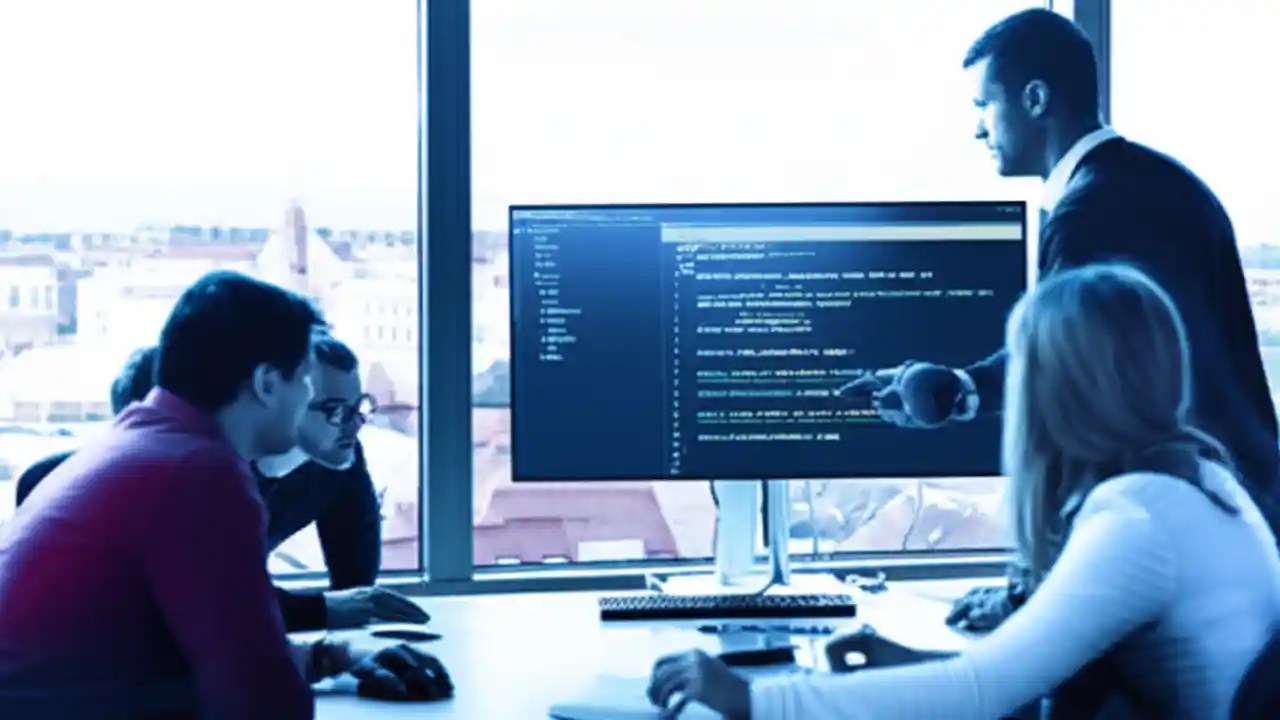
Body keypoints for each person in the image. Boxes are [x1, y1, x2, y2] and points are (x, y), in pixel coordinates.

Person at [648, 264, 1280, 719]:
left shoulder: (1138, 519)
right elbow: (1036, 676)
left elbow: (983, 692)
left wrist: (751, 700)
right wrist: (915, 664)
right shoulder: (1199, 480)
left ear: (1054, 389)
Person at [842, 7, 1280, 631]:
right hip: (1236, 522)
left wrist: (1030, 596)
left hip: (1182, 535)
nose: (976, 130)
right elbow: (1065, 357)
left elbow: (1075, 399)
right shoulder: (1158, 183)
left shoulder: (1089, 211)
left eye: (982, 105)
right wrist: (957, 386)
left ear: (1035, 99)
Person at [0, 271, 350, 717]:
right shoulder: (198, 473)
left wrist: (319, 659)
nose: (308, 395)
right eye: (303, 378)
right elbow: (261, 703)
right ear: (266, 383)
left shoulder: (139, 441)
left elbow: (198, 654)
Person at [14, 337, 425, 632]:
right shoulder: (193, 481)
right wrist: (323, 618)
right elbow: (192, 606)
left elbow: (355, 598)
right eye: (334, 409)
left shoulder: (333, 459)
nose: (353, 423)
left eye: (358, 408)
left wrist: (349, 647)